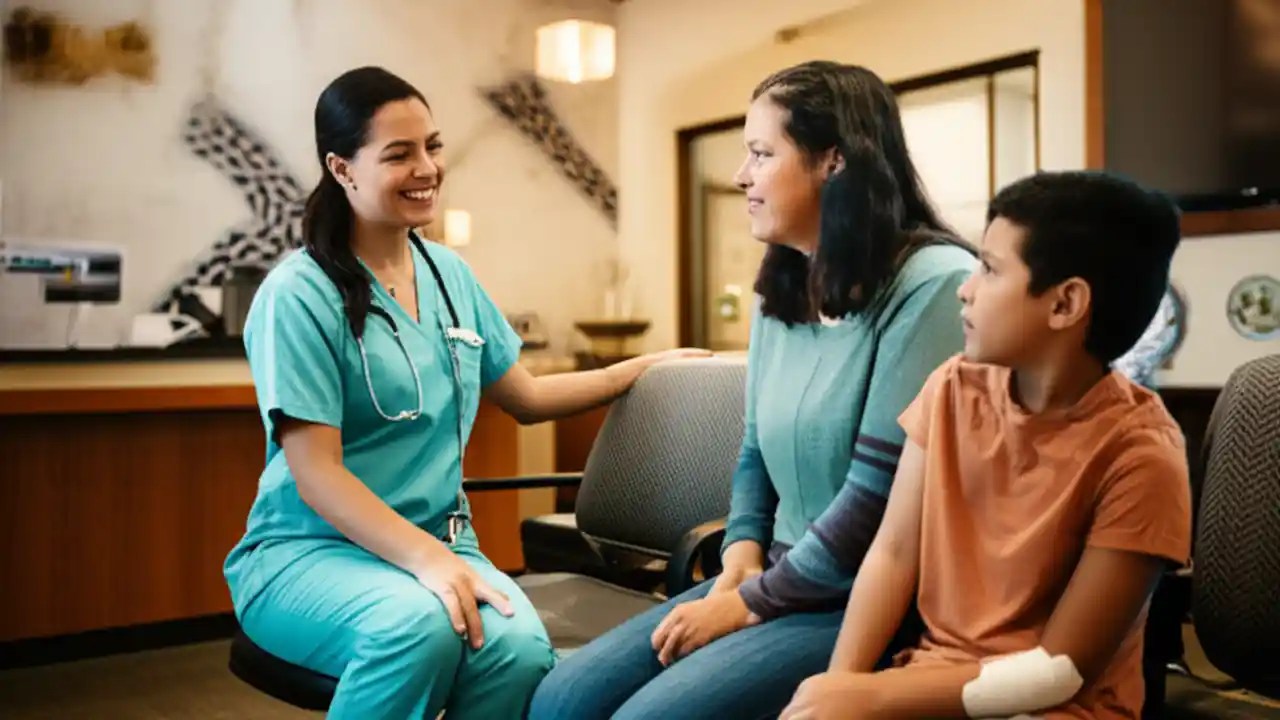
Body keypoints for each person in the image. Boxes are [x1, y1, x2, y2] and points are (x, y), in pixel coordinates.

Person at [223, 66, 706, 720]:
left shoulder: (448, 273)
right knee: (416, 628)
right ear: (342, 169)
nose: (427, 167)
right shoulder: (298, 294)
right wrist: (428, 561)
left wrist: (639, 368)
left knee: (517, 653)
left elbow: (527, 395)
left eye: (432, 145)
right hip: (310, 553)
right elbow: (317, 477)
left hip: (441, 543)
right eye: (399, 154)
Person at [529, 61, 976, 720]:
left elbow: (875, 505)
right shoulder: (788, 285)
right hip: (772, 579)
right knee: (561, 698)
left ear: (832, 161)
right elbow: (755, 452)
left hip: (870, 597)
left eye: (762, 153)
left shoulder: (935, 285)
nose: (741, 174)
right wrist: (739, 558)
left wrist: (749, 602)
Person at [780, 171, 1191, 720]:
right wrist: (840, 687)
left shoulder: (1142, 455)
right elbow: (893, 554)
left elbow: (1059, 671)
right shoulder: (952, 387)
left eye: (991, 269)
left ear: (1065, 304)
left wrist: (872, 696)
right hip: (926, 685)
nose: (965, 287)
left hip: (1054, 707)